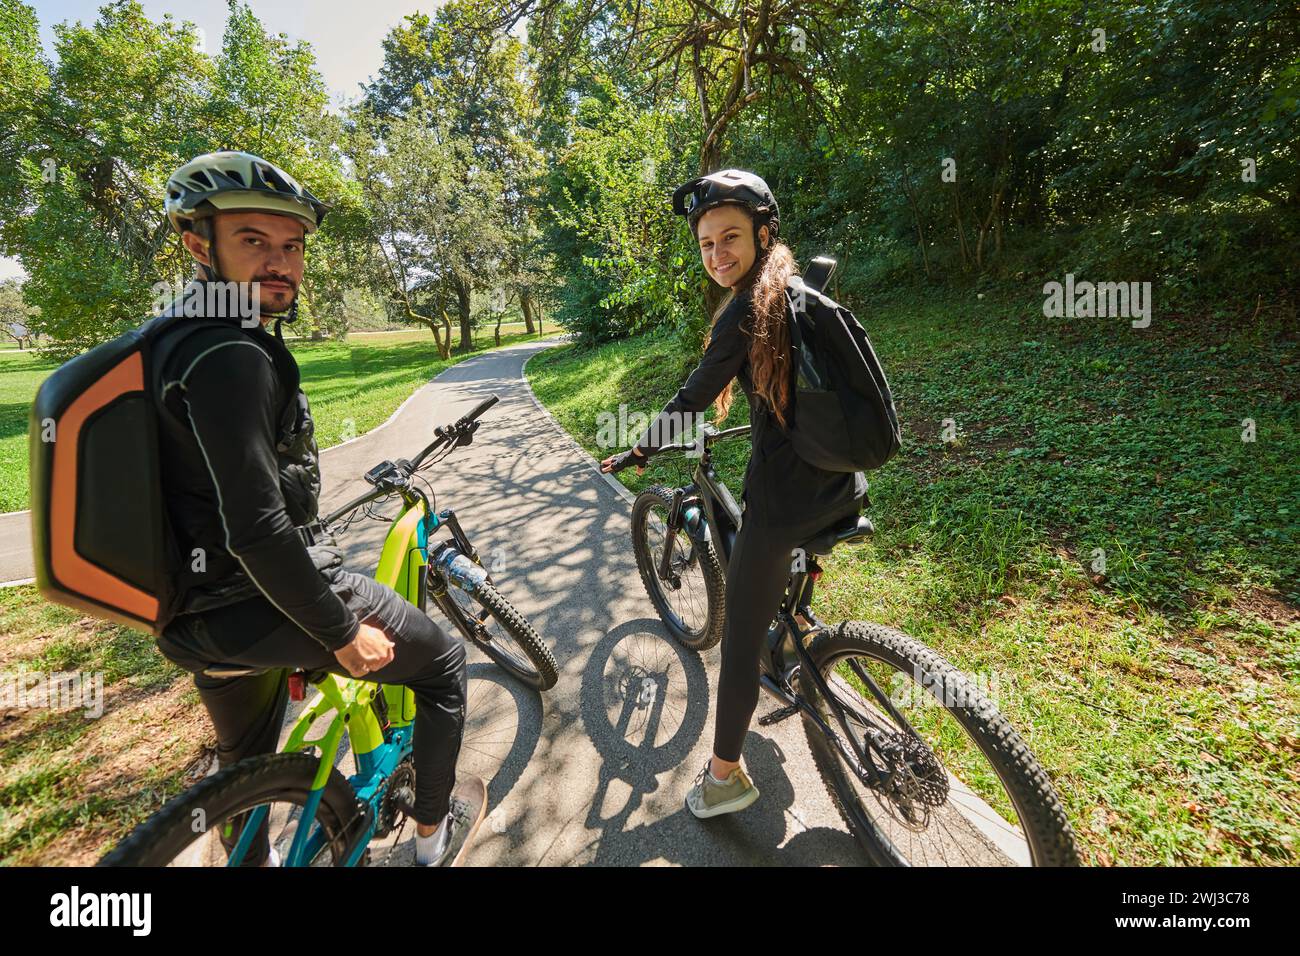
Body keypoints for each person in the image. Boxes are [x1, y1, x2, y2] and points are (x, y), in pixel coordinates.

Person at [151, 151, 484, 865]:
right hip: (256, 596)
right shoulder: (229, 354)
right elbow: (259, 529)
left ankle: (256, 857)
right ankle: (431, 837)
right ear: (197, 243)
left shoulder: (173, 340)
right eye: (254, 241)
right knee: (444, 665)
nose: (280, 262)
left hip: (188, 615)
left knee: (245, 766)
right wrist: (338, 632)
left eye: (292, 246)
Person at [600, 169, 867, 819]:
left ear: (763, 233)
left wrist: (640, 449)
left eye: (730, 238)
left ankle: (723, 779)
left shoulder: (746, 311)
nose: (717, 254)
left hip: (784, 504)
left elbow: (693, 397)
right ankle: (799, 626)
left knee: (739, 643)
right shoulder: (795, 291)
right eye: (706, 244)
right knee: (774, 578)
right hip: (843, 482)